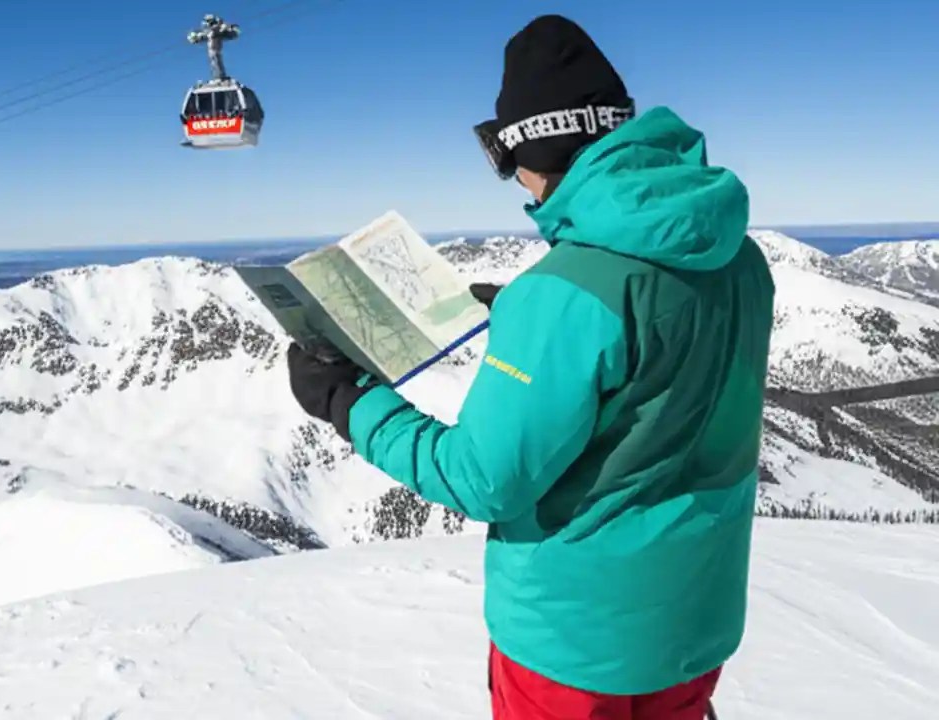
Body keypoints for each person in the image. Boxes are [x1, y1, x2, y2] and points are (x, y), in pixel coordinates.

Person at [286, 13, 774, 720]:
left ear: (531, 146)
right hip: (695, 619)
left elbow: (481, 479)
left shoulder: (568, 293)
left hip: (573, 642)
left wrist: (346, 401)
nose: (509, 177)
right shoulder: (736, 257)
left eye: (500, 152)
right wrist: (543, 317)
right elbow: (666, 353)